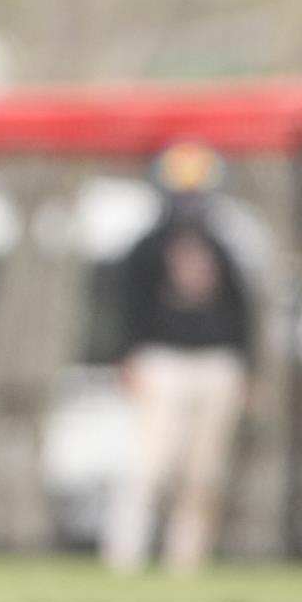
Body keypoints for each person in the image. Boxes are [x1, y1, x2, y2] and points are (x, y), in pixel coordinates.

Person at [101, 141, 254, 573]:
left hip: (216, 365)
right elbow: (127, 307)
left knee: (203, 476)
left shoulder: (224, 246)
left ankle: (185, 567)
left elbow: (242, 310)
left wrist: (246, 369)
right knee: (147, 468)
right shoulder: (147, 247)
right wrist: (126, 358)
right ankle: (124, 562)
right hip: (161, 362)